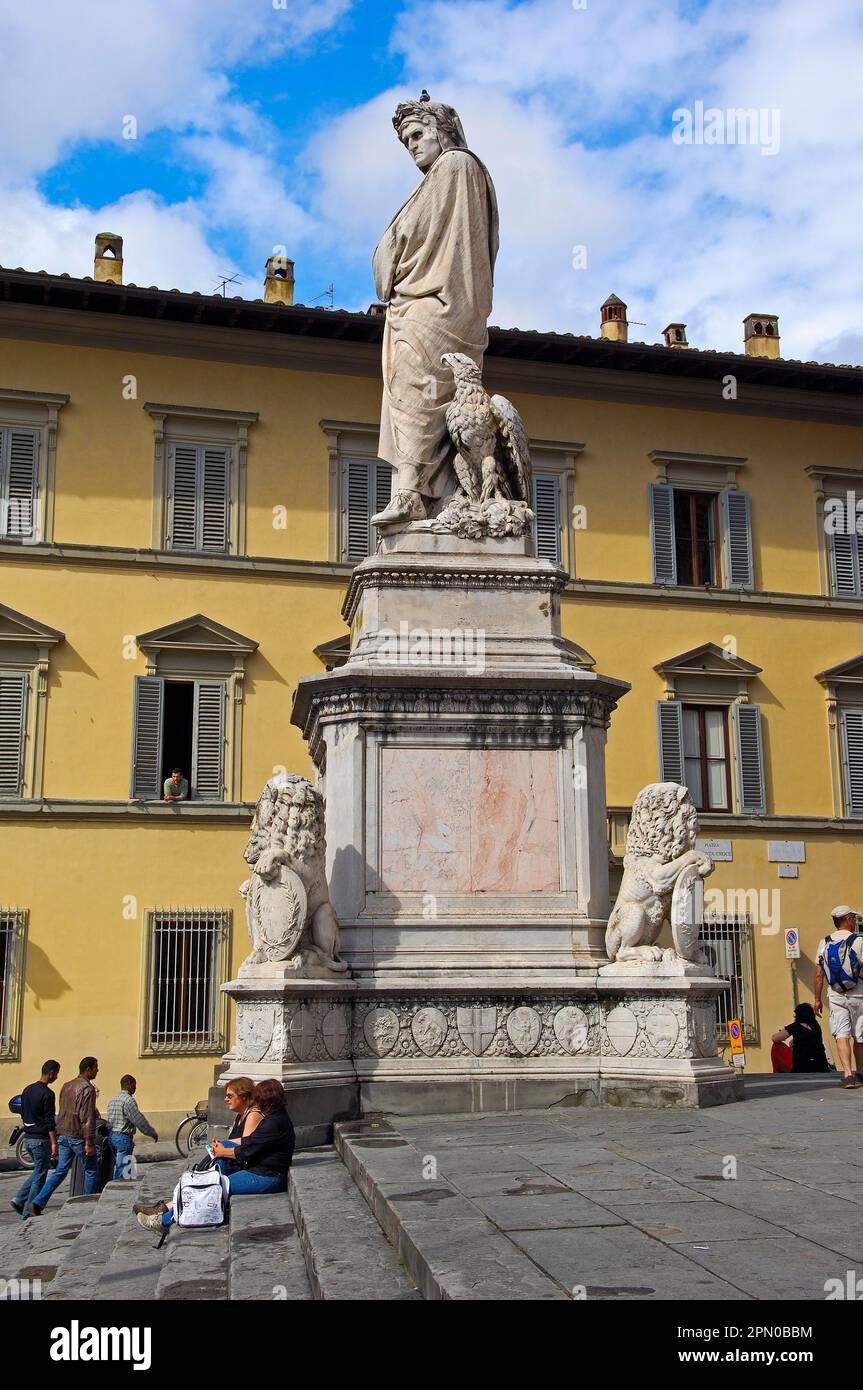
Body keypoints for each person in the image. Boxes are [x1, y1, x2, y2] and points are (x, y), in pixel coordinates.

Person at [369, 92, 500, 527]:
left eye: (418, 135)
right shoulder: (453, 174)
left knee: (416, 389)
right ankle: (425, 494)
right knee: (414, 396)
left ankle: (411, 492)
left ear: (443, 132)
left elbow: (406, 238)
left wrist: (389, 254)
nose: (413, 147)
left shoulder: (456, 166)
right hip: (429, 306)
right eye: (406, 141)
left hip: (437, 310)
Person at [134, 1078, 294, 1232]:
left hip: (268, 1176)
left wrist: (222, 1151)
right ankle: (167, 1212)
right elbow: (250, 1144)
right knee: (210, 1182)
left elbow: (247, 1150)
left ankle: (163, 1221)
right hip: (261, 1171)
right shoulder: (276, 1118)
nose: (256, 1102)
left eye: (258, 1099)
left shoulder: (273, 1123)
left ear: (266, 1101)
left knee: (213, 1186)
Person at [29, 1056, 99, 1213]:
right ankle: (88, 1205)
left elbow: (64, 1109)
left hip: (63, 1133)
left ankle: (38, 1201)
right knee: (91, 1169)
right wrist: (88, 1141)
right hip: (78, 1135)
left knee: (60, 1171)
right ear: (88, 1069)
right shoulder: (87, 1089)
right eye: (96, 1067)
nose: (97, 1070)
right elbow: (86, 1117)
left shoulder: (66, 1085)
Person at [815, 905, 863, 1089]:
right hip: (859, 995)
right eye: (854, 919)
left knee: (841, 1034)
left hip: (835, 995)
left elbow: (819, 974)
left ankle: (848, 1075)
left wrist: (817, 999)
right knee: (860, 1035)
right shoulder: (858, 941)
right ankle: (861, 1071)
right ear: (849, 919)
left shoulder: (825, 942)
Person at [11, 1060, 60, 1218]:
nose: (57, 1077)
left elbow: (24, 1112)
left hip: (28, 1137)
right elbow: (49, 1120)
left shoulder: (27, 1090)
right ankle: (28, 1210)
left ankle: (19, 1199)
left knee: (38, 1171)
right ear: (51, 1073)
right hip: (41, 1139)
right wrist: (53, 1143)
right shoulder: (48, 1094)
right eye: (56, 1073)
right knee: (40, 1174)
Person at [106, 1075, 159, 1180]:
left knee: (127, 1168)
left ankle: (130, 1185)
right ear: (130, 1084)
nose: (135, 1088)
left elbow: (110, 1121)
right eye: (135, 1085)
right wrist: (151, 1132)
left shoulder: (113, 1100)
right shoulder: (128, 1100)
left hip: (112, 1136)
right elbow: (138, 1119)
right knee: (122, 1171)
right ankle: (117, 1191)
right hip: (123, 1138)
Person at [772, 1003, 831, 1073]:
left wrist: (783, 1035)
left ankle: (777, 1071)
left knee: (776, 1046)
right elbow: (803, 1040)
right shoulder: (816, 1026)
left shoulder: (795, 1026)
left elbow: (774, 1038)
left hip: (801, 1067)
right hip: (821, 1066)